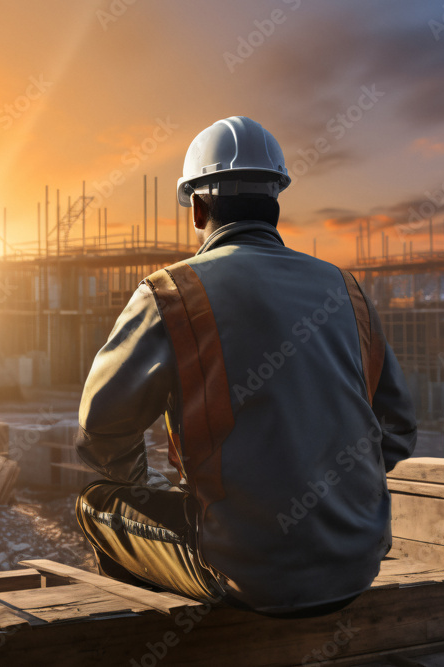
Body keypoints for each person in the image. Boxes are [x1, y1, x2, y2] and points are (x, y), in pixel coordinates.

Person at [73, 116, 417, 618]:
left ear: (197, 207)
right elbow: (398, 429)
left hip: (250, 574)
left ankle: (165, 641)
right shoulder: (347, 290)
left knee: (97, 502)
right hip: (357, 563)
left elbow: (99, 429)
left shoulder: (173, 292)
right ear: (275, 202)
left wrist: (141, 488)